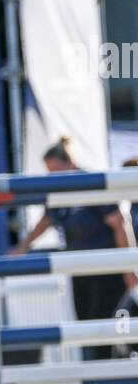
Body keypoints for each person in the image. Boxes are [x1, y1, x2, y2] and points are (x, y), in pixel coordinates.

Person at [10, 137, 138, 359]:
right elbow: (46, 220)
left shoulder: (91, 184)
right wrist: (23, 246)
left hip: (107, 270)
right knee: (85, 324)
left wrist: (128, 268)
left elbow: (119, 224)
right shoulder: (57, 192)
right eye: (49, 172)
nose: (52, 177)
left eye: (55, 170)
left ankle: (107, 376)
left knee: (104, 325)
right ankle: (93, 378)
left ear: (70, 163)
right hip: (80, 269)